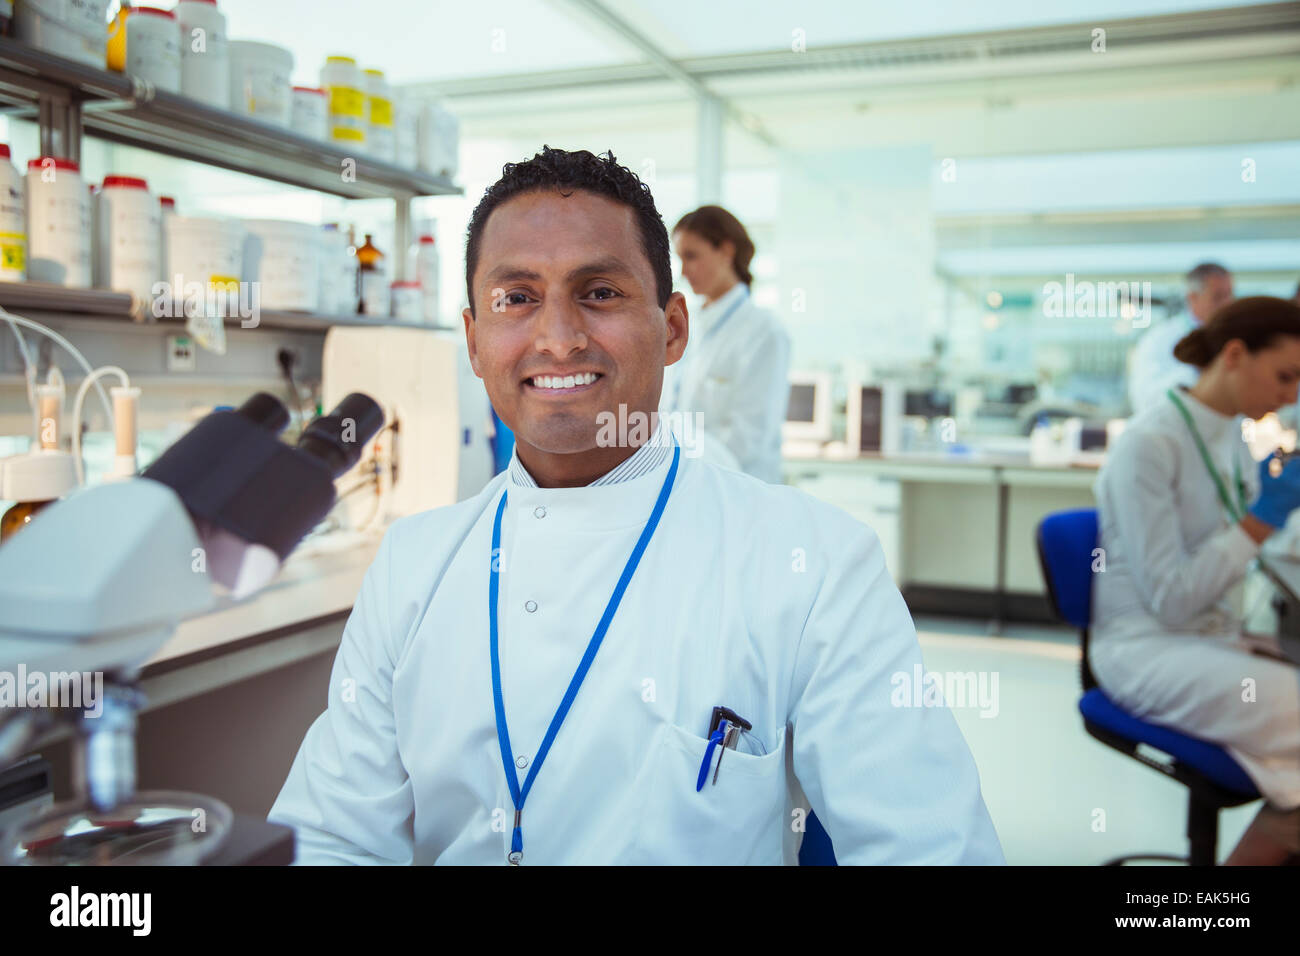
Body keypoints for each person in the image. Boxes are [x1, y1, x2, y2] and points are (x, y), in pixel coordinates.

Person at [268, 146, 1003, 865]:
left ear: (673, 328)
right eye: (516, 299)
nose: (558, 339)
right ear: (473, 338)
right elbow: (333, 836)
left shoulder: (812, 566)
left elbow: (932, 847)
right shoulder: (413, 563)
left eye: (600, 293)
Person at [1093, 295, 1300, 865]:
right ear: (1235, 354)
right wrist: (1263, 520)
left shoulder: (1231, 434)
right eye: (1285, 376)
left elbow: (1228, 549)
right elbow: (1173, 598)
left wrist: (1267, 521)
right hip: (1147, 648)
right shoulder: (1149, 443)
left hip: (1210, 637)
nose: (1291, 395)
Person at [663, 205, 790, 483]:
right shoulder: (689, 323)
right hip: (685, 480)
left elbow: (749, 437)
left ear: (726, 251)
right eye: (680, 259)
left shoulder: (764, 331)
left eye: (692, 256)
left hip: (738, 486)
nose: (684, 272)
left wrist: (679, 465)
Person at [1127, 262, 1234, 413]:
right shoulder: (1159, 339)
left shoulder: (1235, 337)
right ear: (1193, 298)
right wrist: (1198, 372)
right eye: (1218, 297)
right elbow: (1145, 399)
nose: (1227, 304)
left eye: (1229, 295)